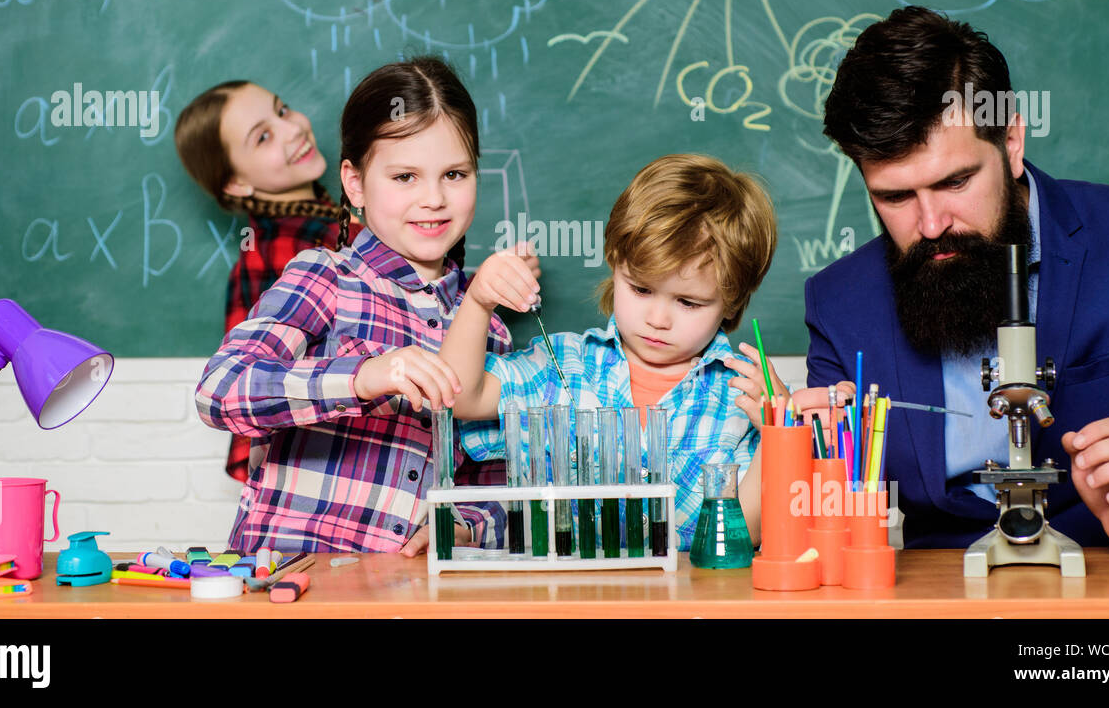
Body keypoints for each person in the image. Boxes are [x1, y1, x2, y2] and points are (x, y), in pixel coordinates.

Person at [802, 6, 1109, 565]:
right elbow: (826, 518)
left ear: (1011, 140)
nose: (933, 224)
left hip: (1108, 584)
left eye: (956, 181)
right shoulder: (840, 304)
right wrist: (800, 454)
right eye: (894, 197)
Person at [194, 57, 519, 555]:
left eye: (454, 173)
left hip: (407, 596)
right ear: (356, 184)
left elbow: (498, 479)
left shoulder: (487, 326)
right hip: (293, 582)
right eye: (405, 176)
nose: (433, 198)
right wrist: (365, 376)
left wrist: (468, 526)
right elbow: (220, 390)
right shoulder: (324, 277)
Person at [440, 154, 787, 550]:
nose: (658, 318)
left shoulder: (739, 394)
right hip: (565, 605)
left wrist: (778, 432)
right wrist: (478, 302)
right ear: (615, 263)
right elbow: (461, 396)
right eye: (641, 289)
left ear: (730, 301)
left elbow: (748, 531)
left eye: (688, 302)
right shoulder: (565, 366)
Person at [175, 81, 362, 482]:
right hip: (318, 466)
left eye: (283, 110)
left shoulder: (326, 222)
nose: (292, 128)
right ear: (236, 184)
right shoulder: (287, 248)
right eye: (263, 137)